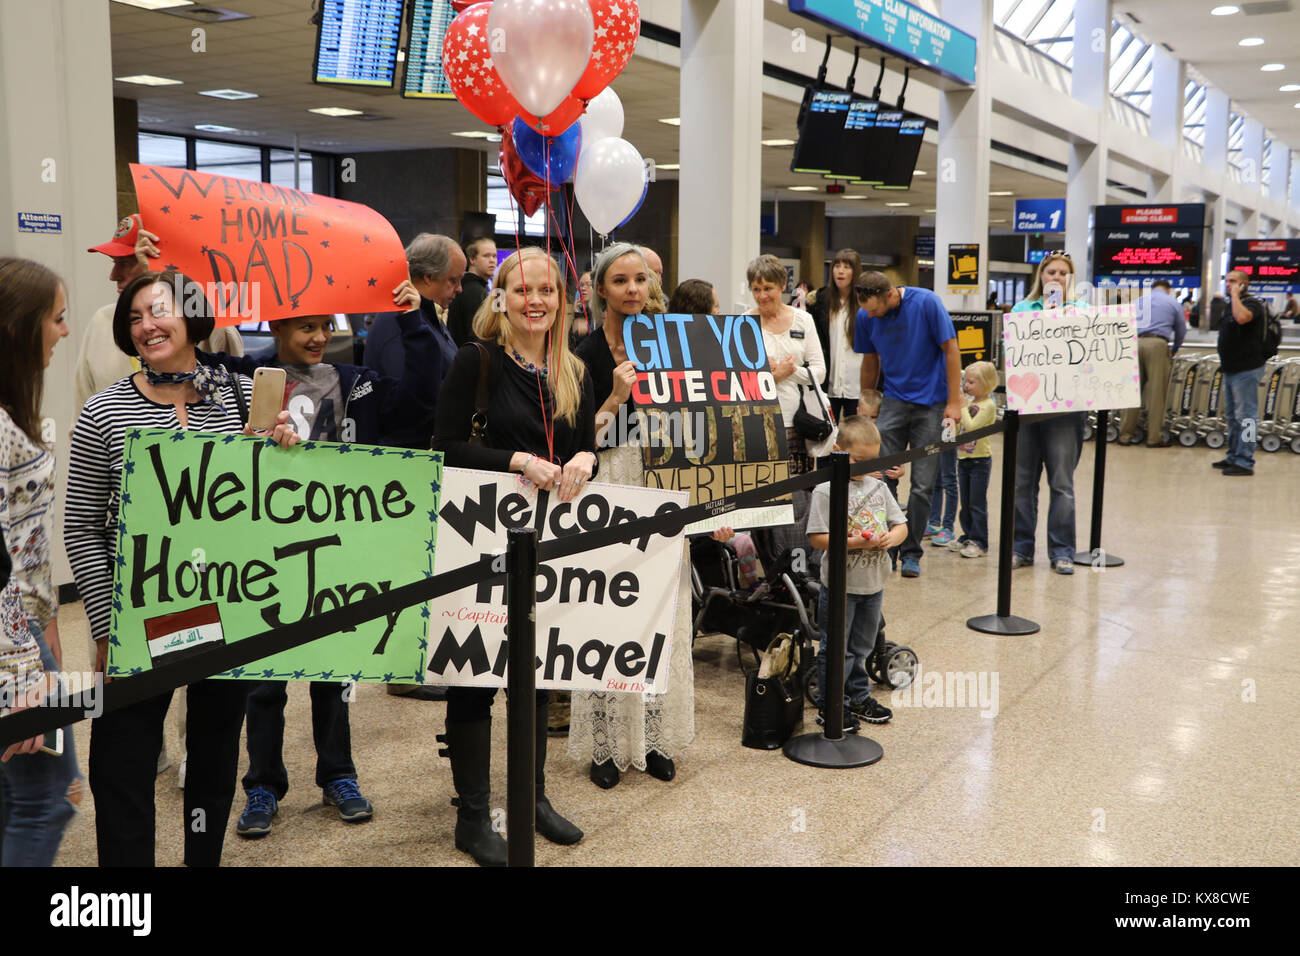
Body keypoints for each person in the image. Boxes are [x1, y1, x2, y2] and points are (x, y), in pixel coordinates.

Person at [64, 271, 299, 866]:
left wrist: (285, 445)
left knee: (215, 755)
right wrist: (101, 624)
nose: (147, 325)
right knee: (122, 762)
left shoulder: (240, 394)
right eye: (136, 316)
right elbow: (82, 525)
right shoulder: (104, 410)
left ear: (193, 317)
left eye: (159, 310)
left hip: (226, 607)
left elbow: (267, 495)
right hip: (140, 614)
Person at [197, 282, 434, 839]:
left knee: (334, 667)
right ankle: (261, 785)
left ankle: (338, 774)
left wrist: (414, 320)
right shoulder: (245, 379)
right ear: (276, 328)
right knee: (265, 676)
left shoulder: (357, 382)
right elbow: (194, 357)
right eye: (306, 326)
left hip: (335, 541)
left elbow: (424, 398)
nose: (320, 337)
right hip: (262, 546)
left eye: (326, 326)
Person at [434, 247, 591, 866]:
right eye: (522, 289)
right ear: (499, 297)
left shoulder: (571, 369)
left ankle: (532, 798)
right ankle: (473, 818)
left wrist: (586, 459)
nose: (535, 301)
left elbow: (581, 448)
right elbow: (443, 447)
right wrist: (518, 462)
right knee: (475, 674)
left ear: (561, 300)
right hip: (480, 539)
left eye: (547, 291)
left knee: (538, 670)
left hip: (547, 540)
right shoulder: (476, 362)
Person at [570, 243, 695, 790]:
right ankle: (605, 744)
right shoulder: (581, 353)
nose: (632, 289)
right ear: (601, 289)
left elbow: (701, 421)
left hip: (662, 483)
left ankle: (653, 738)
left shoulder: (671, 344)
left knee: (661, 613)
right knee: (605, 608)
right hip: (606, 487)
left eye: (640, 279)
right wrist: (616, 398)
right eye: (619, 280)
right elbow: (577, 442)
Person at [0, 257, 82, 867]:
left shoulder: (15, 415)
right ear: (20, 326)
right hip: (11, 641)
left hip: (26, 629)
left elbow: (29, 552)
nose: (64, 331)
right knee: (45, 798)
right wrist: (23, 674)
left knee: (14, 797)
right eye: (57, 319)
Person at [363, 233, 464, 699]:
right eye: (453, 281)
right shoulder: (399, 322)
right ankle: (403, 669)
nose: (459, 289)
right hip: (405, 459)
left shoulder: (425, 316)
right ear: (425, 279)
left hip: (425, 457)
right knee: (404, 566)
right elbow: (409, 400)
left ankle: (416, 657)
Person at [76, 214, 244, 416]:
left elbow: (234, 389)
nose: (114, 275)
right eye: (114, 261)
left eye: (128, 262)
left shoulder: (208, 324)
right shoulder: (102, 322)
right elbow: (81, 416)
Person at [853, 271, 963, 579]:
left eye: (875, 310)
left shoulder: (926, 303)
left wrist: (954, 402)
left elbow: (951, 350)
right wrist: (866, 405)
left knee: (923, 485)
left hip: (932, 403)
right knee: (880, 477)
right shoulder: (866, 315)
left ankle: (912, 551)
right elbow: (870, 361)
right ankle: (886, 546)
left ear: (890, 295)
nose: (871, 316)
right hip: (894, 401)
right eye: (866, 311)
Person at [806, 416, 906, 730]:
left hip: (873, 583)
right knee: (835, 647)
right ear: (837, 451)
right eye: (858, 461)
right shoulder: (825, 491)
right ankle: (832, 704)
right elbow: (818, 538)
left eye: (870, 461)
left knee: (861, 646)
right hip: (840, 585)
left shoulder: (879, 486)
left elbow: (900, 523)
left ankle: (859, 696)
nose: (865, 467)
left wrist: (893, 538)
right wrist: (855, 542)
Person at [1008, 252, 1090, 574]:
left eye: (1063, 273)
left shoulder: (1082, 312)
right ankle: (1021, 548)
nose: (1055, 278)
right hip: (1027, 409)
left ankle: (1062, 551)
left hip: (1066, 411)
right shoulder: (1020, 310)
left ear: (1071, 279)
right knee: (1022, 483)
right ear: (1040, 276)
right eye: (1050, 272)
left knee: (1061, 483)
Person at [745, 254, 826, 573]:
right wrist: (769, 377)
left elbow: (819, 371)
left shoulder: (803, 321)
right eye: (755, 289)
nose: (762, 295)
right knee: (758, 501)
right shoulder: (743, 323)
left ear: (782, 286)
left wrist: (790, 373)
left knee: (796, 503)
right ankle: (762, 567)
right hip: (754, 424)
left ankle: (797, 569)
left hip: (795, 426)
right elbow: (730, 378)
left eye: (767, 288)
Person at [1214, 270, 1269, 477]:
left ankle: (1245, 461)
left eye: (1234, 282)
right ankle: (1233, 456)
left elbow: (1243, 318)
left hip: (1247, 369)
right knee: (1233, 417)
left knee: (1247, 418)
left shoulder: (1253, 303)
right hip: (1231, 369)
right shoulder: (1231, 303)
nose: (1229, 285)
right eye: (1227, 281)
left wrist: (1236, 296)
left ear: (1245, 284)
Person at [1119, 279, 1187, 447]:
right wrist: (1175, 348)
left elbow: (1125, 323)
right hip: (1157, 344)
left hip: (1135, 343)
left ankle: (1125, 435)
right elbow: (1181, 330)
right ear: (1168, 289)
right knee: (1157, 393)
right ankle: (1153, 437)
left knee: (1132, 392)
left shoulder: (1139, 301)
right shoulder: (1172, 302)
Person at [947, 361, 999, 558]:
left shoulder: (987, 406)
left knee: (977, 503)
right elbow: (961, 428)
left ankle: (980, 541)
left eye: (971, 382)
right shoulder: (971, 404)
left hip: (980, 461)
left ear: (985, 383)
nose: (966, 386)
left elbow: (972, 426)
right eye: (965, 382)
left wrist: (963, 405)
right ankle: (967, 535)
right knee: (966, 502)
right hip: (963, 458)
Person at [808, 249, 863, 422]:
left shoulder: (864, 302)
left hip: (857, 384)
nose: (840, 271)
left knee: (855, 435)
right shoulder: (821, 300)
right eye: (837, 266)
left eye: (846, 267)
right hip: (828, 382)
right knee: (828, 433)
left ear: (855, 272)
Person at [447, 237, 496, 348]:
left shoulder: (470, 286)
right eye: (486, 256)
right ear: (472, 259)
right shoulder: (474, 291)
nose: (492, 260)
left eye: (494, 256)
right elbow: (478, 336)